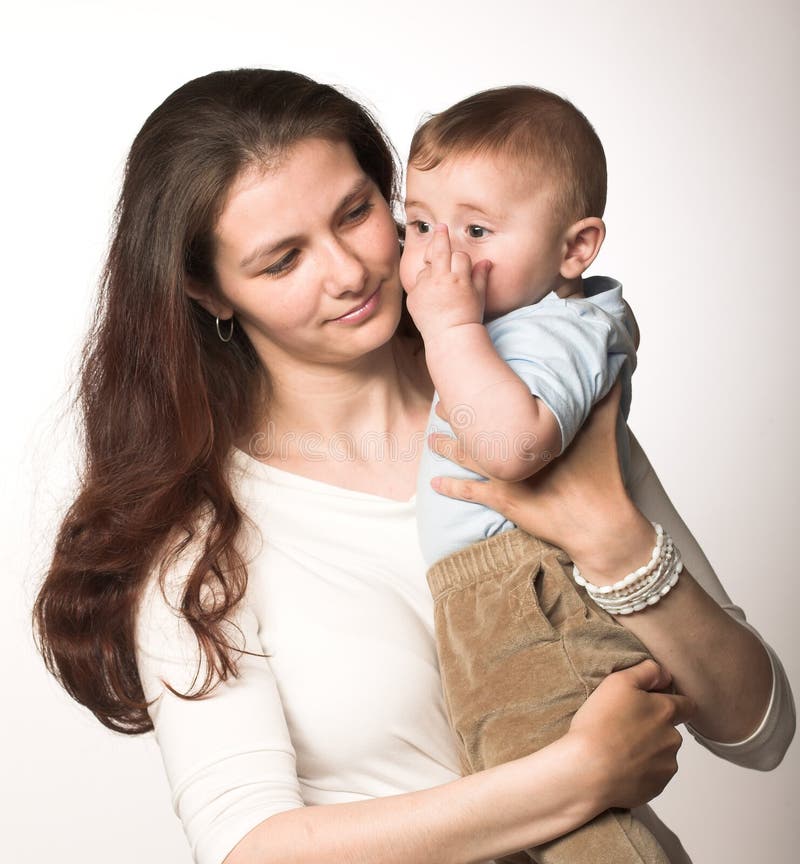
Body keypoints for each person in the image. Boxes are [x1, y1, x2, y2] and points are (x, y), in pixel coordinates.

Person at [32, 69, 793, 864]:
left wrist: (612, 543)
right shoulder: (198, 540)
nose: (349, 271)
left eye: (357, 213)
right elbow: (251, 849)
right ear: (210, 291)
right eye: (282, 260)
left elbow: (759, 728)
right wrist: (576, 777)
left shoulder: (525, 403)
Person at [400, 85, 664, 862]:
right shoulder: (510, 323)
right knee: (535, 812)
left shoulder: (564, 328)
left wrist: (446, 326)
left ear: (574, 249)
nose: (438, 254)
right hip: (487, 595)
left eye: (476, 229)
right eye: (419, 225)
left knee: (576, 825)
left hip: (527, 592)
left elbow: (513, 449)